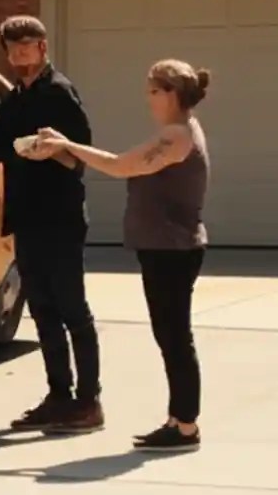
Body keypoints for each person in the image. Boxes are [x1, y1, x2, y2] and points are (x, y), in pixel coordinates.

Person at [35, 59, 211, 452]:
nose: (147, 98)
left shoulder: (178, 137)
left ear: (170, 93)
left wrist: (65, 145)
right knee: (170, 337)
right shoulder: (176, 133)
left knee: (175, 338)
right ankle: (178, 420)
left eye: (152, 90)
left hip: (173, 250)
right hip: (163, 249)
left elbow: (118, 166)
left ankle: (185, 427)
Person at [0, 15, 104, 435]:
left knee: (72, 308)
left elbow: (81, 154)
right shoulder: (16, 98)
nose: (18, 53)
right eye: (12, 47)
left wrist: (55, 150)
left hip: (60, 216)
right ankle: (58, 396)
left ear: (43, 48)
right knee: (42, 309)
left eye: (26, 45)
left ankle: (89, 401)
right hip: (26, 216)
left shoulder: (58, 92)